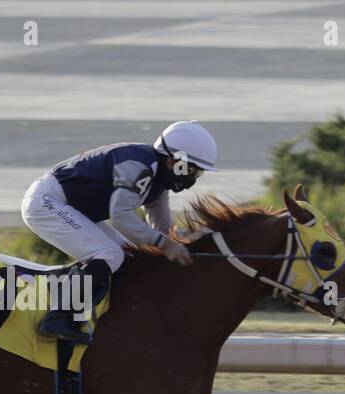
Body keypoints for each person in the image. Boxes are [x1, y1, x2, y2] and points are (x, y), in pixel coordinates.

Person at [19, 121, 218, 344]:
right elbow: (121, 216)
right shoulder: (138, 167)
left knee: (128, 254)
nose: (191, 177)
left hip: (70, 207)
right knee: (109, 254)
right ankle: (57, 318)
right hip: (46, 202)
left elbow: (162, 230)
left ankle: (104, 317)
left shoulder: (159, 180)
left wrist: (191, 240)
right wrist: (165, 243)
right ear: (172, 159)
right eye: (189, 169)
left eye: (196, 172)